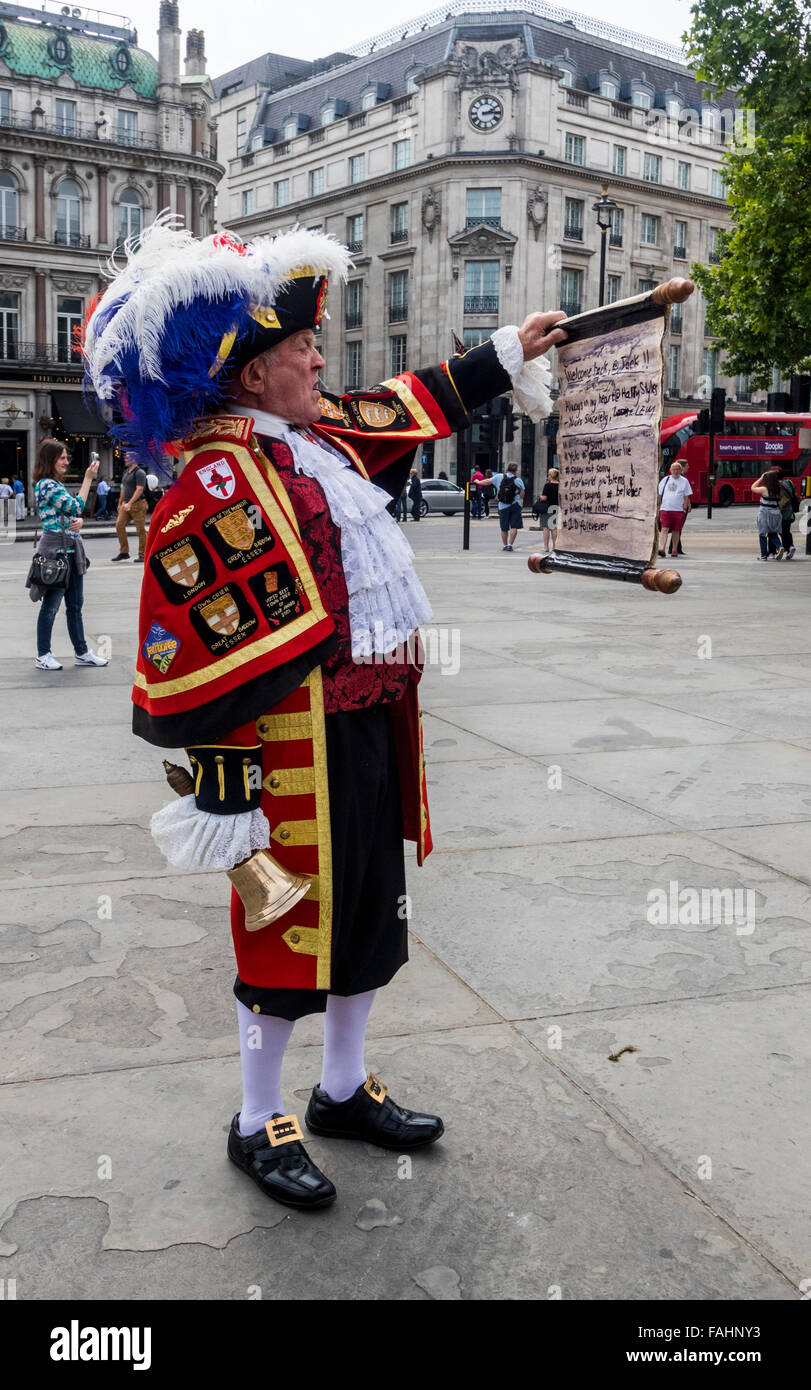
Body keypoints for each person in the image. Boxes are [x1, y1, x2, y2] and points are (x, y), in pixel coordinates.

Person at [83, 221, 564, 1211]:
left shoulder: (319, 436)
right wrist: (228, 803)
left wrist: (510, 346)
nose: (316, 355)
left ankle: (340, 1089)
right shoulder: (210, 483)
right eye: (299, 348)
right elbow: (198, 655)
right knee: (286, 936)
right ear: (251, 375)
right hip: (288, 744)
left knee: (370, 919)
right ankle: (258, 1117)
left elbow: (408, 401)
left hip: (368, 722)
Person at [28, 439, 109, 670]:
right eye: (62, 457)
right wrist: (87, 479)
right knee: (51, 607)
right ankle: (43, 654)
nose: (66, 461)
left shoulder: (55, 484)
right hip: (56, 553)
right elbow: (74, 506)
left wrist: (79, 520)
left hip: (71, 552)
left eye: (66, 457)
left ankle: (81, 652)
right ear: (50, 459)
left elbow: (70, 513)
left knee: (75, 606)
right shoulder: (46, 485)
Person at [112, 451, 148, 562]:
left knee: (140, 530)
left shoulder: (140, 472)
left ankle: (143, 555)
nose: (125, 459)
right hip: (125, 504)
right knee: (119, 525)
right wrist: (120, 503)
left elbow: (140, 489)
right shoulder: (126, 472)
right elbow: (123, 487)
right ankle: (124, 552)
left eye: (127, 458)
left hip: (138, 505)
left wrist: (130, 503)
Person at [658, 461, 692, 558]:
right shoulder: (665, 480)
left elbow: (686, 495)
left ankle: (674, 549)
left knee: (676, 530)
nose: (675, 471)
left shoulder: (684, 481)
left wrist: (685, 508)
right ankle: (662, 548)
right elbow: (659, 495)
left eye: (677, 469)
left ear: (681, 470)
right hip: (665, 509)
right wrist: (659, 507)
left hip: (678, 510)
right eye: (674, 469)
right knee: (664, 529)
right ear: (670, 470)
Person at [492, 461, 525, 551]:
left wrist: (477, 481)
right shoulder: (518, 480)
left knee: (504, 527)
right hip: (515, 505)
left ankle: (505, 545)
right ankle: (510, 545)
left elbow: (488, 481)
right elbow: (522, 494)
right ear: (516, 470)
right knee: (514, 526)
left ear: (507, 469)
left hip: (502, 506)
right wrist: (518, 499)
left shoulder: (499, 477)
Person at [751, 468, 783, 559]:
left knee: (762, 534)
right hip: (776, 514)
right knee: (772, 533)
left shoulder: (764, 489)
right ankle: (779, 547)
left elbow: (752, 487)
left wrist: (761, 478)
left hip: (765, 514)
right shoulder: (779, 489)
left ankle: (764, 555)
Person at [774, 465, 798, 560]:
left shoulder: (778, 486)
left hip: (781, 512)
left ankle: (789, 547)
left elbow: (782, 499)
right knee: (786, 530)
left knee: (781, 531)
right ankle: (790, 548)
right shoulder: (789, 482)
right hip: (790, 511)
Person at [534, 467, 559, 552]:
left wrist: (540, 497)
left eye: (548, 474)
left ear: (551, 476)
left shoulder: (547, 485)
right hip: (556, 507)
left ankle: (546, 547)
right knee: (554, 528)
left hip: (547, 508)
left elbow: (544, 497)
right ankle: (555, 546)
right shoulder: (560, 485)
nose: (548, 476)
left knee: (546, 528)